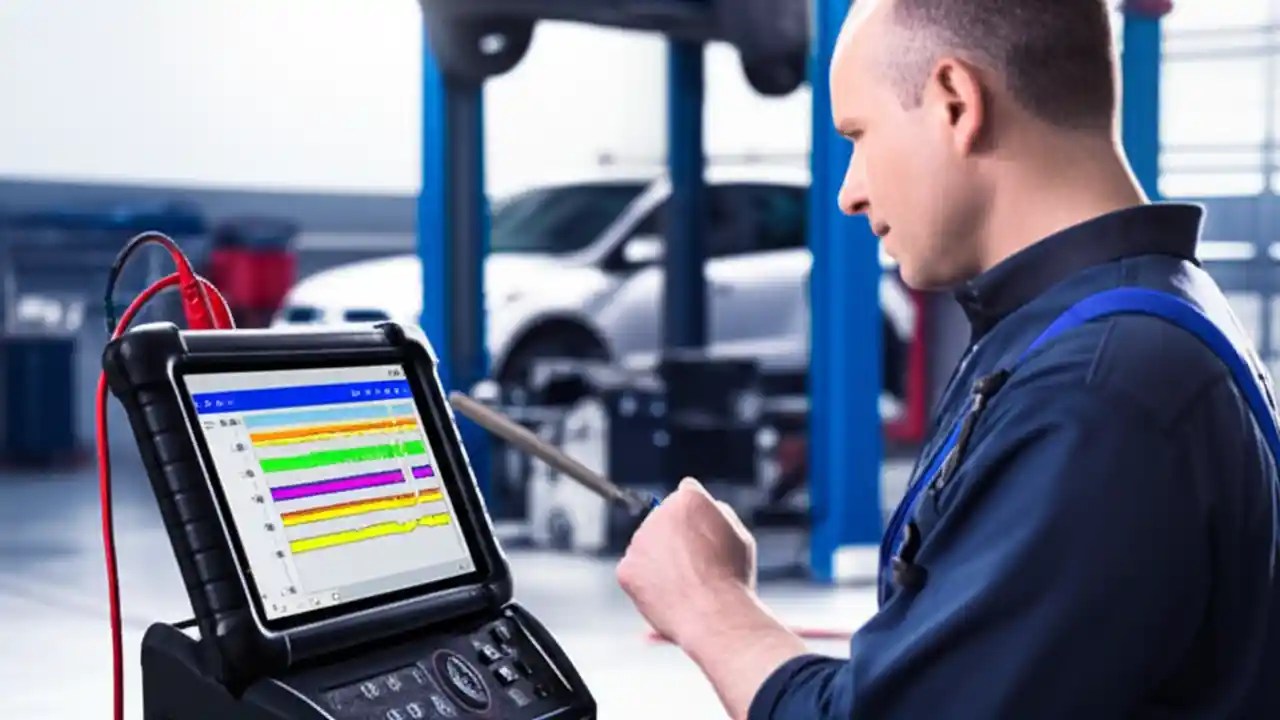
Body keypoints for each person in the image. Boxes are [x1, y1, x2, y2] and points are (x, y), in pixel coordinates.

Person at [615, 0, 1280, 718]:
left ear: (956, 103)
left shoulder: (1101, 389)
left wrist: (709, 604)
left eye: (860, 136)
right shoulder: (1115, 325)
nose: (849, 192)